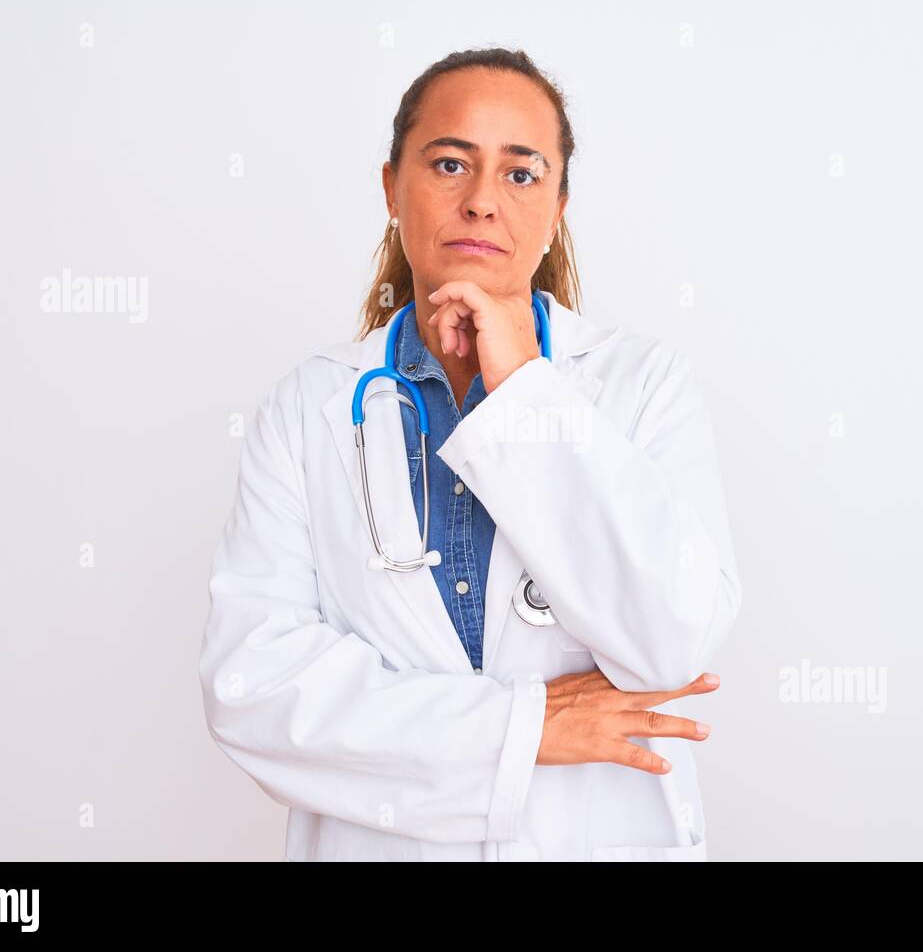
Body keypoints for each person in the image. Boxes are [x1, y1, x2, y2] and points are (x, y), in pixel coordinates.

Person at [198, 47, 742, 861]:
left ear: (558, 206)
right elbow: (253, 691)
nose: (483, 201)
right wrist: (527, 728)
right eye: (450, 163)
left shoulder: (642, 386)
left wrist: (527, 384)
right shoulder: (307, 409)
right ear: (391, 188)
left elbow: (669, 636)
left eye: (522, 174)